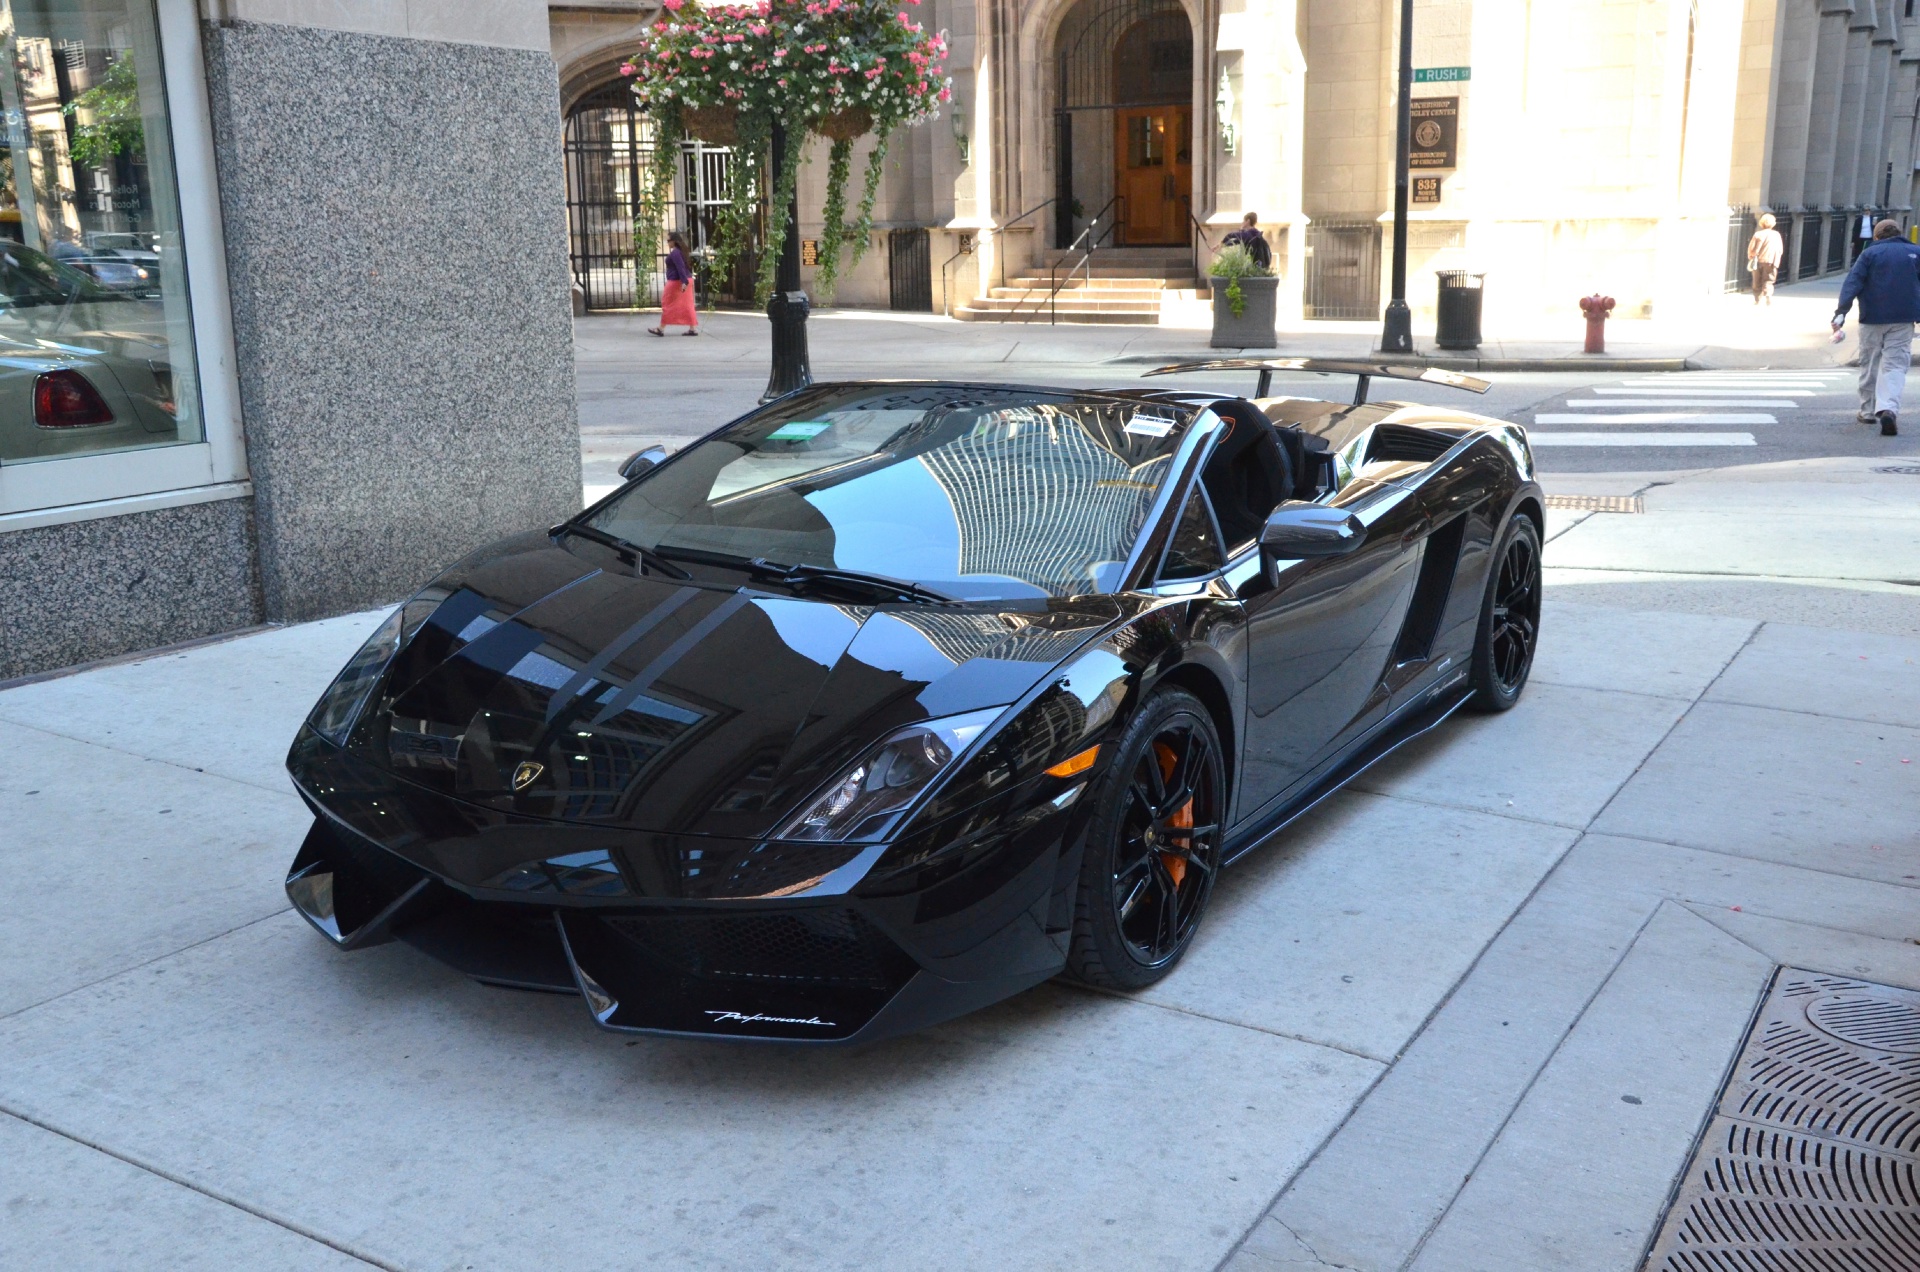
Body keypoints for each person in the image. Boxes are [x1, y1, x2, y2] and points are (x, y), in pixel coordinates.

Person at [1833, 218, 1920, 436]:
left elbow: (1853, 282)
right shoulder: (1916, 253)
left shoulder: (1869, 254)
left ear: (1877, 236)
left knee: (1870, 363)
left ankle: (1868, 411)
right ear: (1899, 233)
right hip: (1903, 318)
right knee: (1895, 365)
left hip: (1872, 317)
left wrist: (1841, 312)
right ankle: (1889, 408)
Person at [650, 232, 699, 337]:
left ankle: (660, 328)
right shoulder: (682, 251)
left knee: (667, 303)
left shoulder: (676, 252)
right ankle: (692, 329)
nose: (668, 243)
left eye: (669, 241)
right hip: (686, 279)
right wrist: (685, 280)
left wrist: (684, 281)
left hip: (676, 281)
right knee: (688, 305)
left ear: (674, 241)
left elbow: (680, 266)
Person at [1746, 213, 1783, 305]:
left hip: (1757, 261)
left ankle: (1757, 299)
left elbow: (1751, 248)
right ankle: (1768, 295)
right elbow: (1780, 249)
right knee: (1769, 280)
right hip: (1771, 261)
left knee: (1756, 281)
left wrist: (1750, 255)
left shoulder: (1758, 234)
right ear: (1773, 224)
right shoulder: (1776, 234)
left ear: (1761, 223)